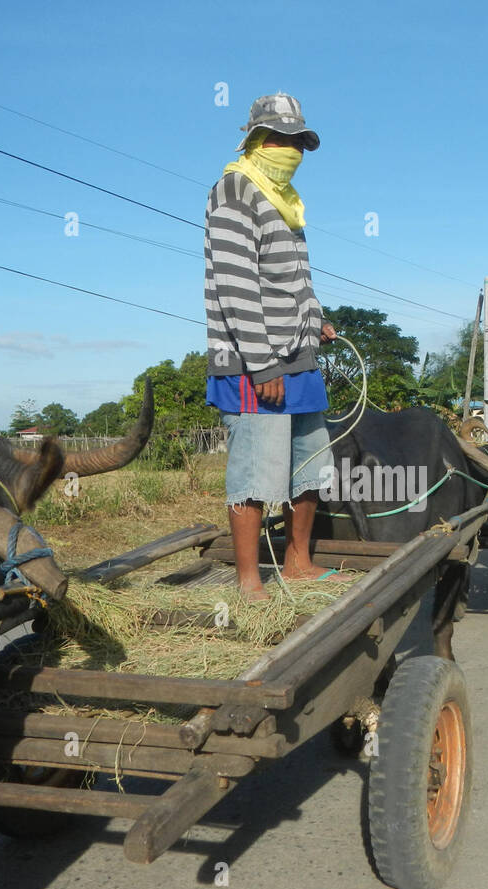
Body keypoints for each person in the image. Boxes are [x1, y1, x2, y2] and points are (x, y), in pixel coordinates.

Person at [204, 93, 349, 599]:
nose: (289, 149)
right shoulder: (234, 190)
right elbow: (236, 282)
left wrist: (316, 318)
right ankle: (249, 581)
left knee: (309, 465)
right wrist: (263, 365)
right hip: (252, 363)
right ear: (255, 140)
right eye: (279, 139)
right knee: (255, 470)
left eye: (297, 141)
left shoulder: (286, 201)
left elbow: (293, 280)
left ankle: (298, 562)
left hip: (300, 359)